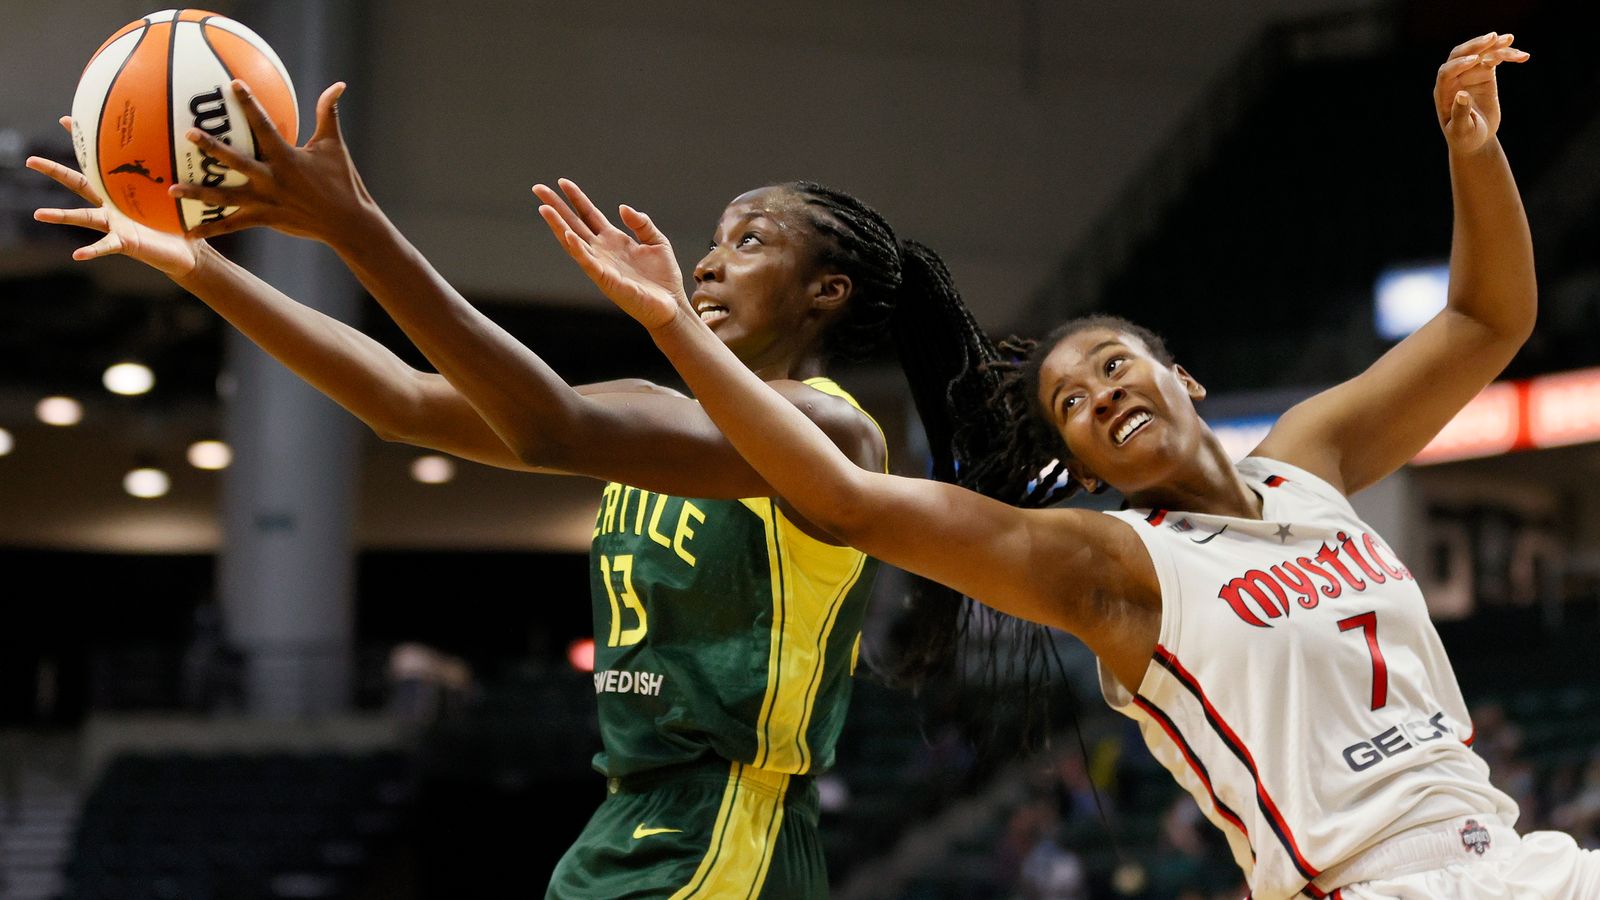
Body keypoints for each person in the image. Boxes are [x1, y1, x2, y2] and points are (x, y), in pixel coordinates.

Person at [539, 31, 1600, 898]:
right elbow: (844, 499)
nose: (1103, 398)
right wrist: (677, 327)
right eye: (1073, 407)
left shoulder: (1307, 465)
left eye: (1113, 367)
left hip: (1520, 858)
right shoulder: (1112, 566)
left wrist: (1473, 150)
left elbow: (1484, 320)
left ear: (1181, 377)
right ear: (1086, 472)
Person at [27, 83, 1010, 896]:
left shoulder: (833, 431)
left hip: (728, 831)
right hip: (629, 821)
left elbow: (550, 429)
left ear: (825, 293)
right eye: (713, 237)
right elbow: (400, 401)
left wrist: (359, 229)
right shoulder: (650, 409)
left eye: (750, 241)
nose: (709, 261)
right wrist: (199, 266)